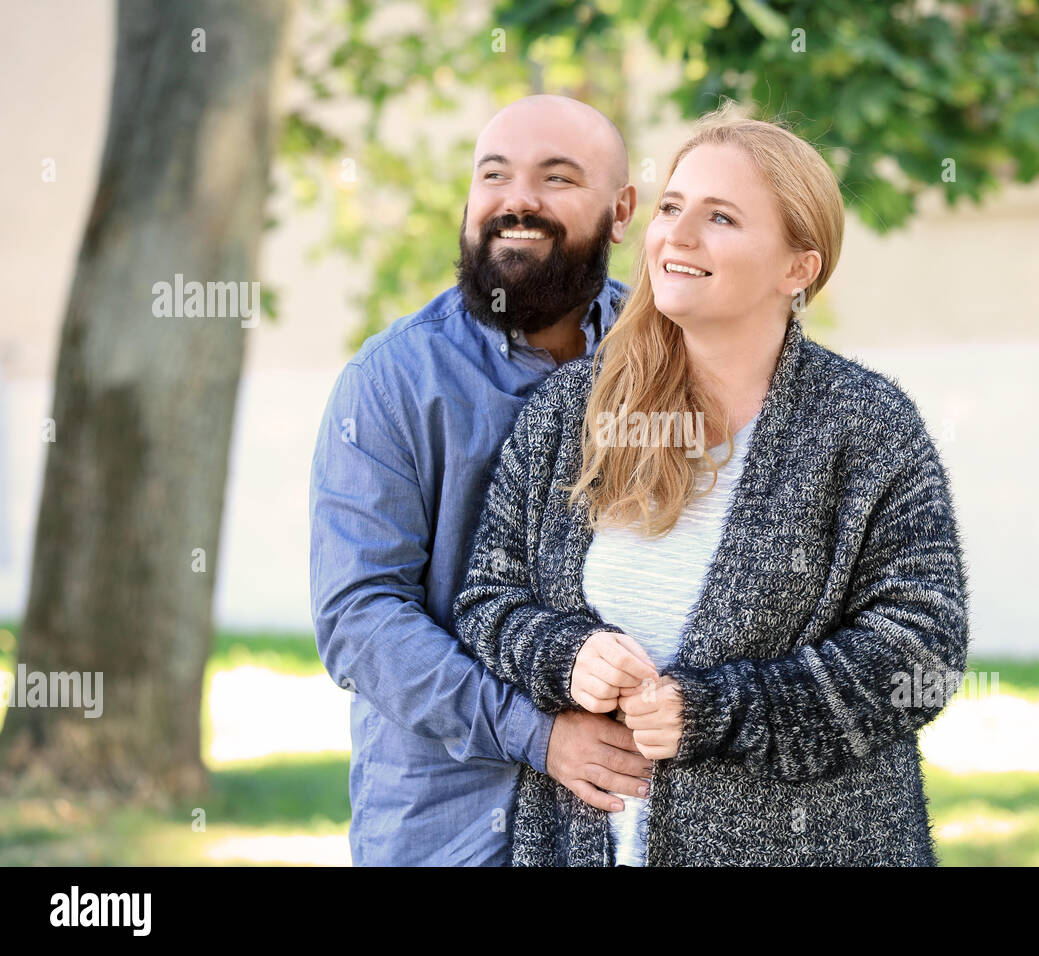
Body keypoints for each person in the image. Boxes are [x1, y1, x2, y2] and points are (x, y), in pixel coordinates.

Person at [453, 102, 971, 866]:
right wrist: (567, 656)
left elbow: (920, 652)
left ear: (799, 267)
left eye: (721, 218)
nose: (677, 238)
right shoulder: (572, 412)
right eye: (670, 208)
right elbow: (487, 601)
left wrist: (719, 710)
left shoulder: (865, 426)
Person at [309, 94, 652, 866]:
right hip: (451, 827)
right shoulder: (393, 381)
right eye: (494, 175)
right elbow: (359, 618)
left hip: (639, 820)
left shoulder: (664, 360)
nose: (517, 200)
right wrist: (540, 736)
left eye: (557, 178)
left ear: (622, 209)